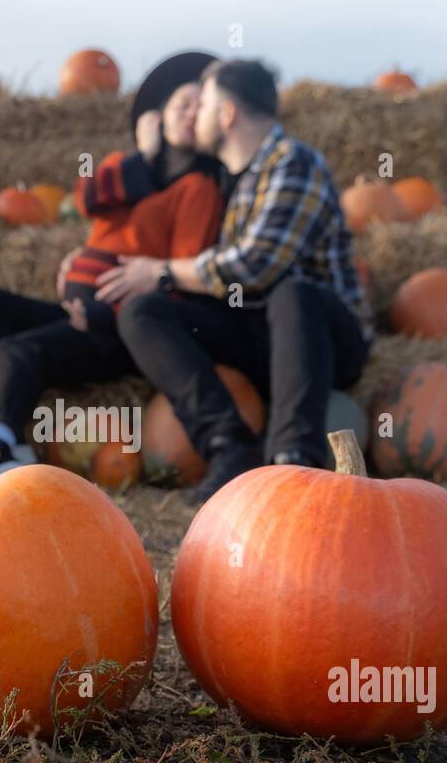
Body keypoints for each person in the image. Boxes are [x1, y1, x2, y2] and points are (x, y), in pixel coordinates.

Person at [95, 58, 372, 503]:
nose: (194, 114)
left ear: (227, 115)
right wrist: (90, 257)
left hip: (322, 339)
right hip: (259, 335)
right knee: (145, 311)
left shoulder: (293, 162)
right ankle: (229, 444)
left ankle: (292, 461)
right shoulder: (230, 181)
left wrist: (160, 269)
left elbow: (254, 265)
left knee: (293, 292)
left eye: (201, 103)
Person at [0, 52, 225, 481]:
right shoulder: (123, 169)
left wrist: (102, 307)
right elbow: (87, 198)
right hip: (81, 311)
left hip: (120, 327)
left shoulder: (199, 188)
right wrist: (143, 158)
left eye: (199, 106)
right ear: (158, 114)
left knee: (18, 352)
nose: (190, 113)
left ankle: (0, 447)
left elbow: (184, 274)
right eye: (181, 103)